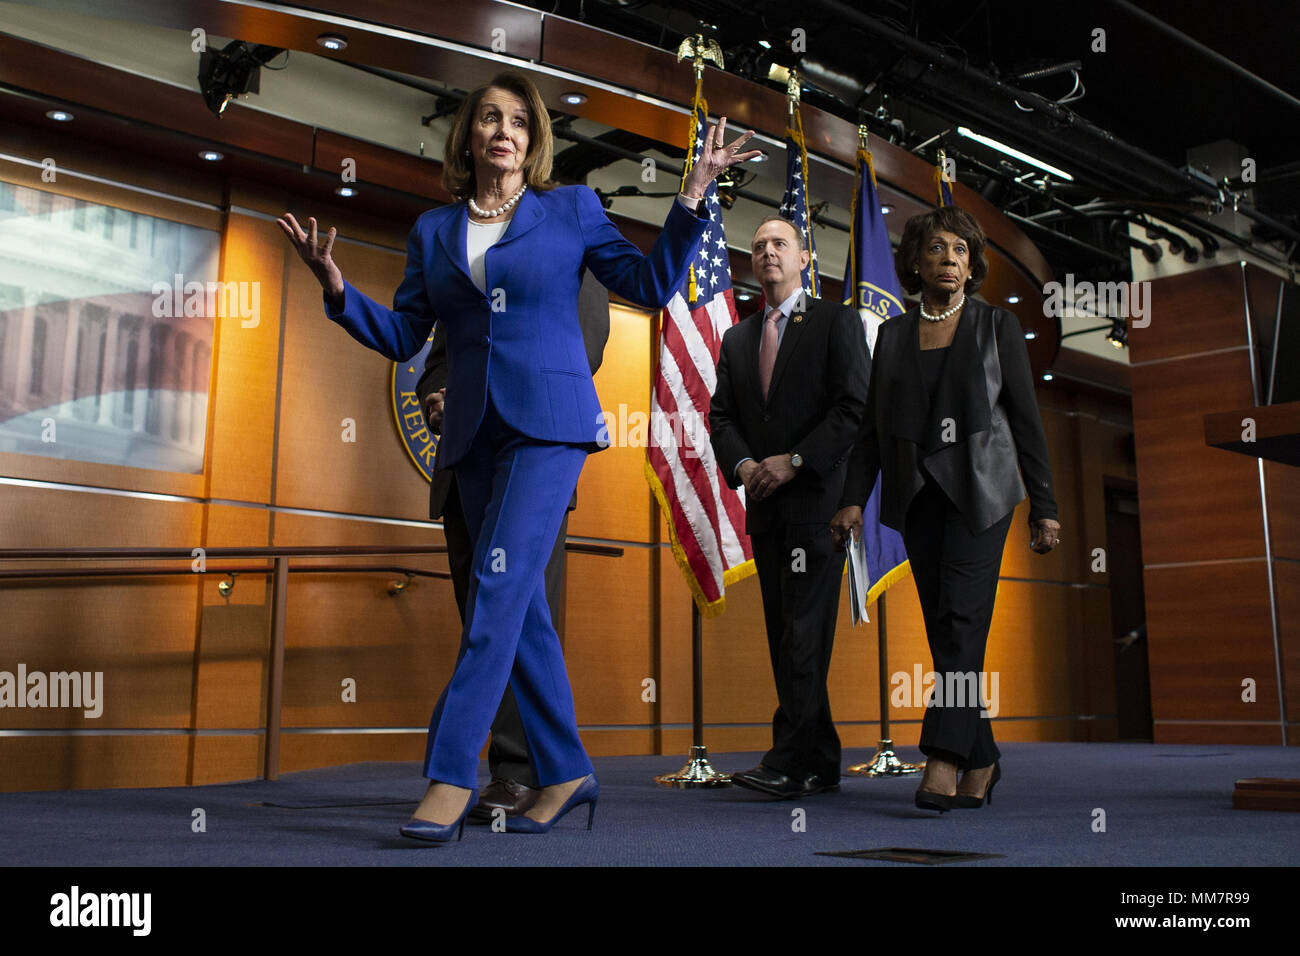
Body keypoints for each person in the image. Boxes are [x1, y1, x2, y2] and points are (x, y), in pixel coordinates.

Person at [278, 70, 758, 840]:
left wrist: (692, 196)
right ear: (468, 136)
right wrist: (338, 292)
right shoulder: (435, 231)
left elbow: (646, 281)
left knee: (496, 594)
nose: (503, 130)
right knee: (520, 610)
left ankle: (448, 775)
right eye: (489, 118)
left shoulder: (569, 209)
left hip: (550, 426)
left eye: (519, 122)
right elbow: (407, 336)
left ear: (533, 143)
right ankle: (567, 771)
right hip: (470, 435)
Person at [831, 205, 1061, 812]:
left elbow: (1027, 423)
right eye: (937, 249)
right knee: (947, 630)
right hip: (918, 497)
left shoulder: (996, 326)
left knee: (961, 621)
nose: (950, 260)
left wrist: (1046, 506)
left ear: (972, 262)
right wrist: (854, 499)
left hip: (981, 494)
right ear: (915, 261)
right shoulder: (894, 335)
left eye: (960, 251)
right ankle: (982, 756)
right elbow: (872, 432)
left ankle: (942, 756)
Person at [413, 269, 609, 822]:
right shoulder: (468, 263)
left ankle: (517, 771)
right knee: (490, 621)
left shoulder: (570, 248)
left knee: (512, 619)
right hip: (461, 470)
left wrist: (484, 391)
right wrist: (438, 397)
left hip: (529, 466)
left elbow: (582, 349)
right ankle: (564, 770)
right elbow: (438, 360)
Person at [709, 215, 871, 799]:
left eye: (779, 243)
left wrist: (794, 462)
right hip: (765, 507)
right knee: (787, 633)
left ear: (803, 257)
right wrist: (746, 466)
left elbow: (854, 409)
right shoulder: (737, 338)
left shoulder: (835, 321)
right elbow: (720, 418)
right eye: (757, 246)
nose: (767, 252)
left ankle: (789, 757)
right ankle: (820, 758)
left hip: (817, 507)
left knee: (804, 634)